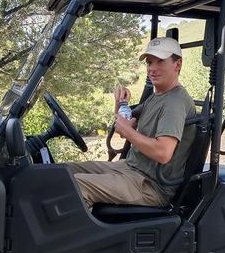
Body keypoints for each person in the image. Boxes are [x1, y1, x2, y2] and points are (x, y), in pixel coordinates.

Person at [68, 36, 196, 209]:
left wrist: (128, 132)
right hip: (130, 168)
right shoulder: (157, 97)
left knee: (74, 186)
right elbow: (125, 125)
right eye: (149, 63)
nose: (152, 69)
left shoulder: (175, 102)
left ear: (177, 64)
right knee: (65, 172)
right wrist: (121, 104)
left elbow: (163, 152)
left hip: (151, 186)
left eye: (160, 61)